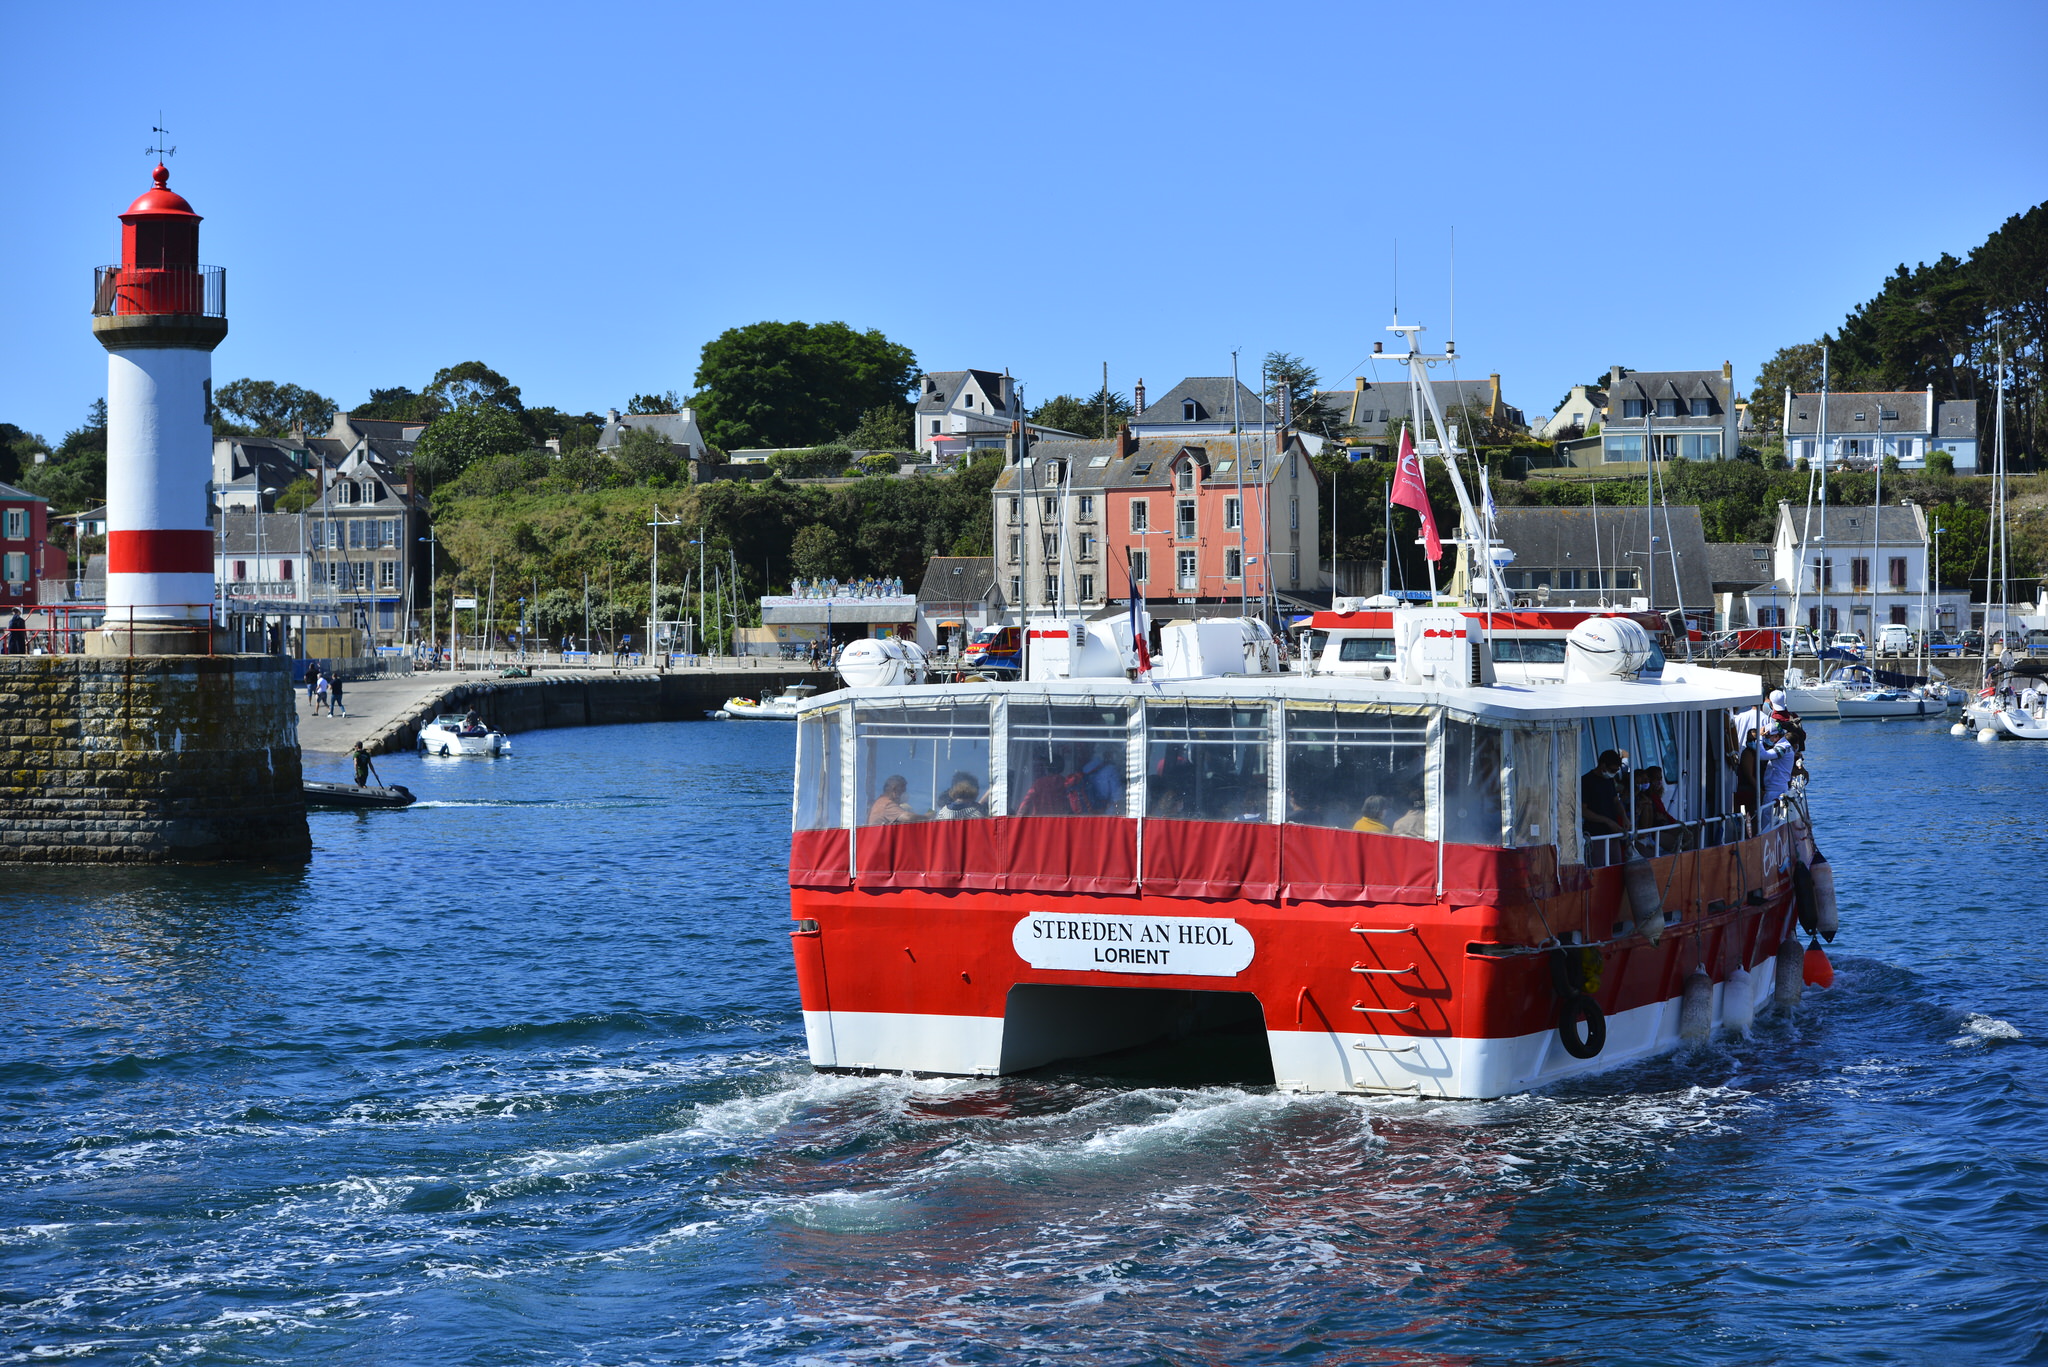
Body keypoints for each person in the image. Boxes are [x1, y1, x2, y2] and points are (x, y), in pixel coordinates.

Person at [1580, 749, 1628, 838]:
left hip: (1613, 832)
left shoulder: (1609, 780)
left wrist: (1624, 816)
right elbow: (1583, 811)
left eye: (1616, 771)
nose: (1613, 773)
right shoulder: (1586, 781)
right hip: (1596, 834)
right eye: (1612, 770)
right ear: (1603, 765)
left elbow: (1616, 801)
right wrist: (1607, 821)